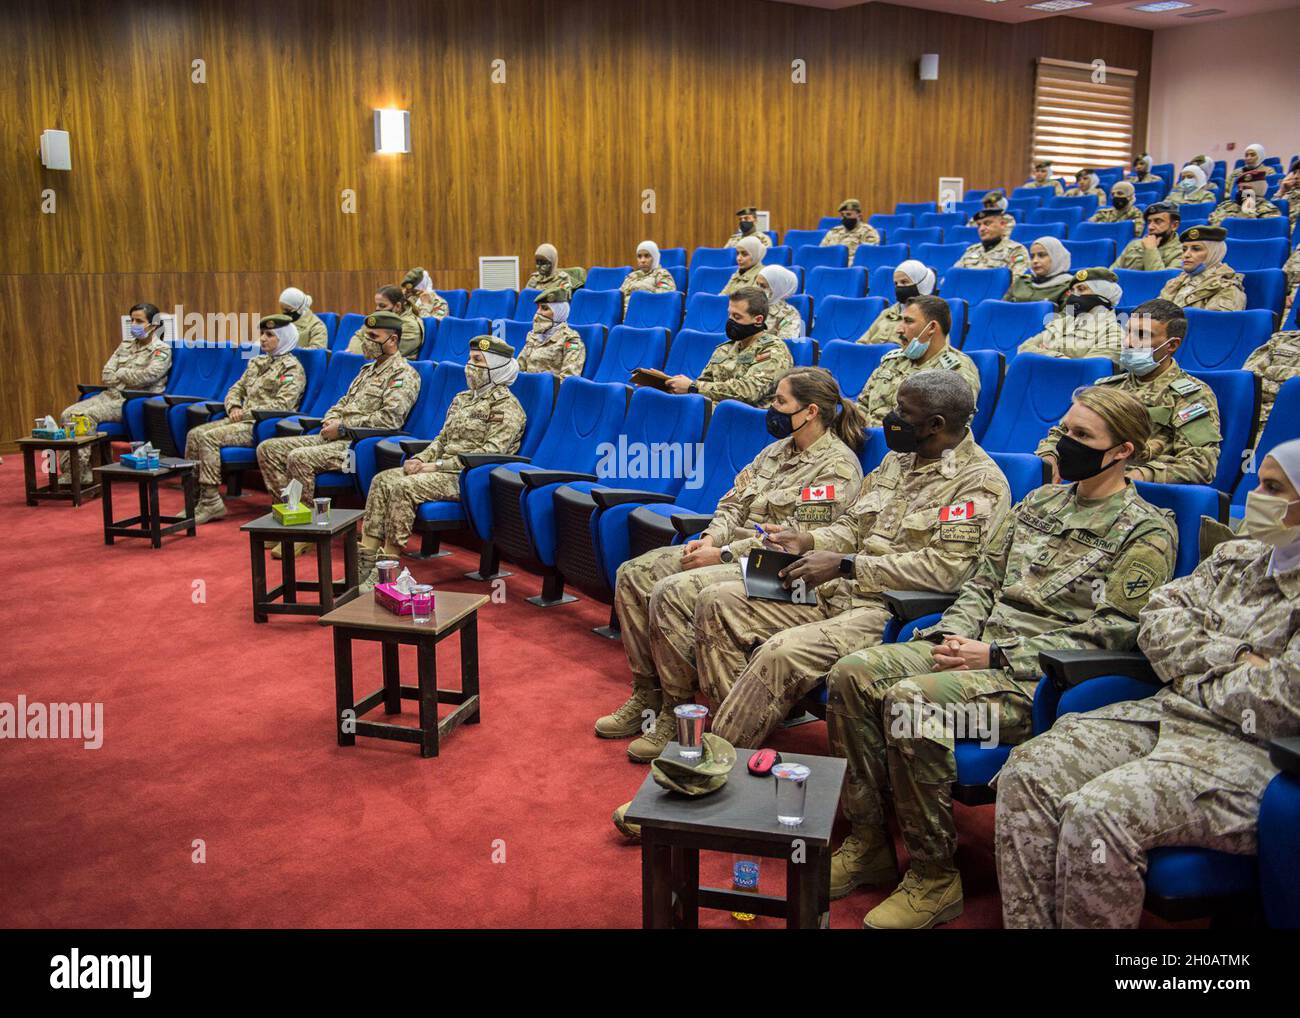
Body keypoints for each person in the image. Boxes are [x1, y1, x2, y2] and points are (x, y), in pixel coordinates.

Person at [825, 385, 1176, 928]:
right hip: (973, 648)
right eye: (1064, 429)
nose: (1065, 442)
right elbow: (981, 582)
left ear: (1123, 451)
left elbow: (1115, 634)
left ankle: (934, 876)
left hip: (1038, 680)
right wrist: (955, 639)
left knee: (911, 701)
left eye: (1082, 436)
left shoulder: (1146, 530)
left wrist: (995, 654)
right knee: (852, 672)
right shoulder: (1038, 502)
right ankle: (869, 840)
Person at [995, 437, 1300, 930]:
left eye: (1271, 487)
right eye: (1258, 482)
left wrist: (1189, 667)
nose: (1255, 498)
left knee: (1098, 812)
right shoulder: (1239, 555)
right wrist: (1235, 656)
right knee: (1028, 770)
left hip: (1253, 752)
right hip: (1166, 715)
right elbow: (1157, 621)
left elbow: (1283, 701)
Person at [693, 372, 1012, 751]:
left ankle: (714, 762)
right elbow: (852, 526)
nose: (890, 417)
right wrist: (810, 539)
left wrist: (847, 565)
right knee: (718, 600)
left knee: (781, 652)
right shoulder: (897, 461)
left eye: (903, 411)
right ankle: (751, 739)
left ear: (935, 424)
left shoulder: (979, 483)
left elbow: (945, 570)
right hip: (832, 588)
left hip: (885, 611)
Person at [596, 367, 864, 766]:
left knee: (675, 590)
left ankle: (677, 712)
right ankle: (647, 695)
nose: (770, 410)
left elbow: (791, 541)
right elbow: (732, 502)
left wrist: (722, 555)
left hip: (788, 574)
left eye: (779, 402)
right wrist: (712, 537)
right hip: (736, 553)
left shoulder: (837, 467)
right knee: (634, 574)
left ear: (809, 411)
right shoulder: (775, 451)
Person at [357, 337, 526, 588]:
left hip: (467, 478)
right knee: (382, 480)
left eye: (478, 361)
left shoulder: (508, 408)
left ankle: (387, 570)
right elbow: (441, 439)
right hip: (438, 470)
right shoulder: (462, 398)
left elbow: (488, 454)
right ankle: (365, 563)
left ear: (496, 367)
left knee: (403, 487)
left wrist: (435, 466)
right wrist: (420, 458)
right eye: (469, 359)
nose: (470, 366)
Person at [257, 311, 421, 555]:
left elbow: (390, 419)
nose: (367, 341)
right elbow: (342, 402)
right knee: (268, 449)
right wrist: (332, 418)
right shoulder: (366, 370)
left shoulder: (403, 374)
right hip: (335, 436)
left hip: (357, 446)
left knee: (299, 457)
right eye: (366, 335)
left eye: (374, 336)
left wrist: (343, 427)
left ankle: (307, 532)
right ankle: (291, 521)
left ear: (393, 340)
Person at [1038, 299, 1221, 486]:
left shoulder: (1189, 395)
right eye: (1129, 332)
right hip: (1087, 484)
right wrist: (1049, 457)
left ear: (1171, 345)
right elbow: (1062, 432)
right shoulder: (1108, 386)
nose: (1128, 342)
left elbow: (1201, 464)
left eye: (1142, 335)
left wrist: (1137, 477)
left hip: (1141, 496)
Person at [189, 314, 307, 524]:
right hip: (241, 419)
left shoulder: (292, 368)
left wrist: (243, 413)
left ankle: (211, 502)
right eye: (262, 333)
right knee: (194, 434)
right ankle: (196, 498)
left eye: (270, 335)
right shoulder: (256, 362)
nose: (262, 339)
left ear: (285, 338)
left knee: (208, 438)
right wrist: (233, 405)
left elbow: (283, 405)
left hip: (260, 425)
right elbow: (236, 388)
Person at [59, 303, 171, 483]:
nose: (134, 324)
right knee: (67, 413)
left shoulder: (161, 350)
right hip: (110, 396)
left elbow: (148, 376)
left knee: (84, 416)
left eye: (139, 321)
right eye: (132, 320)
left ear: (154, 325)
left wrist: (122, 373)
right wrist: (124, 377)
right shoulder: (125, 345)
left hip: (132, 403)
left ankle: (76, 473)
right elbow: (106, 374)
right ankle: (77, 470)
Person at [857, 295, 980, 426]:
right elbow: (861, 405)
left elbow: (954, 429)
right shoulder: (892, 360)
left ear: (932, 327)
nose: (898, 329)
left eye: (908, 321)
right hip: (865, 438)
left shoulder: (955, 370)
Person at [660, 287, 793, 406]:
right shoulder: (724, 349)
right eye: (729, 314)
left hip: (744, 421)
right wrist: (671, 385)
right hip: (710, 413)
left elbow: (750, 392)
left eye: (737, 317)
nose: (730, 321)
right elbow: (704, 382)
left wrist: (693, 387)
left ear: (758, 320)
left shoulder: (773, 350)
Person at [1018, 267, 1126, 362]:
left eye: (1081, 289)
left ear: (1103, 292)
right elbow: (1023, 349)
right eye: (1073, 291)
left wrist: (1043, 352)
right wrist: (1057, 357)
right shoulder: (1061, 323)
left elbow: (1088, 370)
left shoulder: (1113, 333)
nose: (1074, 295)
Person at [1158, 225, 1247, 311]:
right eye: (1184, 249)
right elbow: (1148, 314)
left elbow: (1211, 325)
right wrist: (1146, 326)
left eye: (1196, 249)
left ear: (1214, 253)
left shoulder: (1227, 288)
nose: (1186, 255)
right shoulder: (1175, 283)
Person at [858, 261, 936, 345]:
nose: (899, 287)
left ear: (921, 283)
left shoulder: (931, 316)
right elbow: (862, 341)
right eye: (896, 283)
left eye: (904, 282)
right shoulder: (887, 312)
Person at [1243, 327, 1300, 437]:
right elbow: (1249, 382)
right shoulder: (1282, 339)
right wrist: (1286, 389)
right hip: (1258, 418)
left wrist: (1273, 374)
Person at [517, 286, 584, 378]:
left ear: (559, 312)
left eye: (544, 308)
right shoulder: (534, 336)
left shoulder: (571, 340)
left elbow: (568, 379)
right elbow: (518, 367)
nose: (538, 313)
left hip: (549, 390)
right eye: (538, 308)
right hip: (526, 388)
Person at [345, 286, 423, 358]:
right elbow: (358, 336)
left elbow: (388, 353)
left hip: (395, 369)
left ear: (397, 306)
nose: (377, 309)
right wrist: (357, 352)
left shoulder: (410, 326)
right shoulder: (381, 318)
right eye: (377, 305)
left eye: (382, 306)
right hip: (372, 366)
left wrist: (356, 353)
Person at [1112, 201, 1183, 271]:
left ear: (1174, 225)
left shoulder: (1183, 252)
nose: (1150, 227)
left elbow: (1160, 280)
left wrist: (1151, 250)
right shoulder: (1134, 245)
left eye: (1158, 221)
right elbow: (1112, 273)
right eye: (1149, 222)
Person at [1003, 236, 1073, 306]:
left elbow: (1070, 314)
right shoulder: (1021, 282)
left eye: (1041, 255)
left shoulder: (1070, 286)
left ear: (1056, 257)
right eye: (1032, 257)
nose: (1035, 261)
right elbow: (1001, 308)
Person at [954, 209, 1029, 273]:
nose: (982, 229)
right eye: (979, 225)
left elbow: (1017, 282)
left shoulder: (1016, 250)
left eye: (987, 223)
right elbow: (952, 278)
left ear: (1002, 224)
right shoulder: (971, 251)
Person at [1209, 168, 1283, 226]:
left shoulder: (1268, 210)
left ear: (1257, 190)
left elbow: (1265, 232)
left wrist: (1248, 212)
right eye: (1239, 188)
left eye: (1245, 188)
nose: (1240, 191)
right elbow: (1212, 225)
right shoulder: (1225, 206)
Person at [619, 241, 676, 312]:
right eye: (639, 256)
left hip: (647, 315)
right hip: (625, 316)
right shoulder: (631, 276)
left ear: (655, 257)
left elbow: (665, 298)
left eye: (647, 256)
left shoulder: (662, 274)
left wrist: (642, 288)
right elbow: (618, 297)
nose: (642, 260)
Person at [755, 265, 804, 341]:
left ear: (778, 288)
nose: (757, 289)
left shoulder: (790, 314)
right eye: (757, 284)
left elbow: (783, 344)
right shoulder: (749, 303)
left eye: (763, 286)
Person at [1273, 157, 1300, 231]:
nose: (1296, 177)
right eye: (1294, 173)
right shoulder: (1288, 193)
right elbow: (1272, 217)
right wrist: (1281, 192)